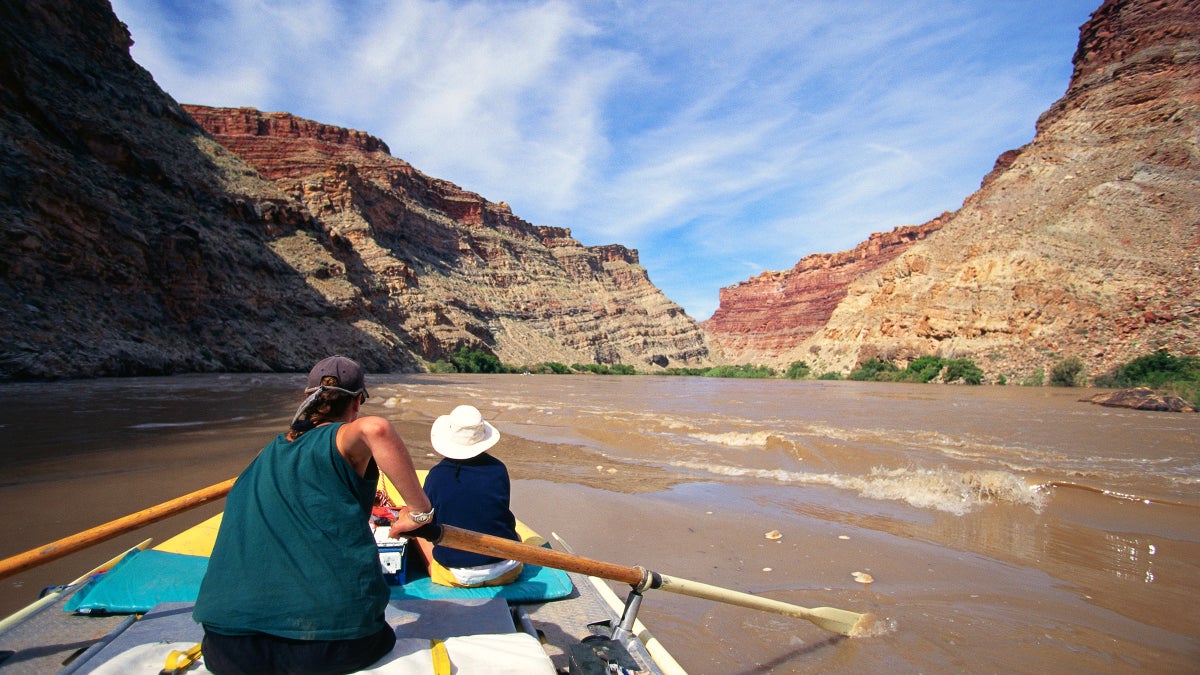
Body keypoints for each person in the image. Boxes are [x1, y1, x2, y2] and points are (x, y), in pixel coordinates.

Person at [193, 355, 434, 675]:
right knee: (374, 632)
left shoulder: (265, 455)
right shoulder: (341, 437)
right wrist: (419, 512)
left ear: (306, 398)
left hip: (226, 649)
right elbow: (376, 429)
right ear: (357, 403)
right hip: (329, 648)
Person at [416, 404, 524, 588]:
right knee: (518, 536)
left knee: (418, 532)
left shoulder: (436, 475)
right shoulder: (498, 469)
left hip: (456, 576)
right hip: (507, 571)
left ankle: (434, 571)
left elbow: (427, 521)